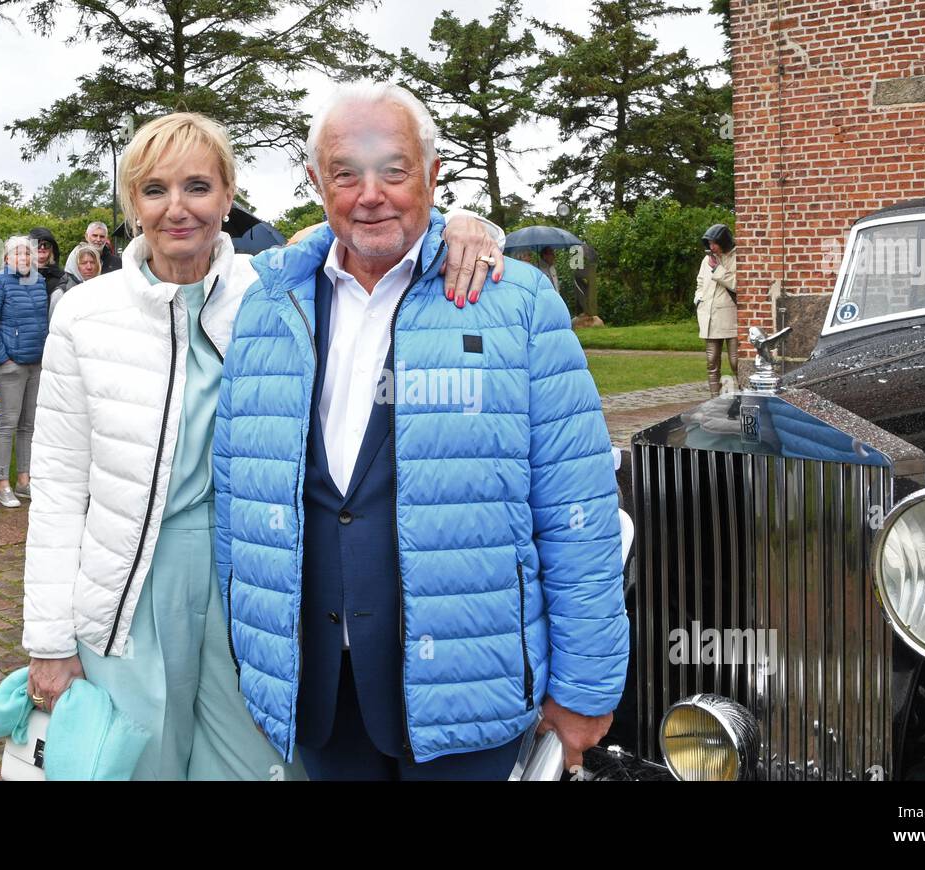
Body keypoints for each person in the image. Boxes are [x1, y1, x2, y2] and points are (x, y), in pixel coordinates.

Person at [21, 110, 505, 781]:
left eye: (197, 186)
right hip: (125, 591)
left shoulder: (274, 288)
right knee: (133, 765)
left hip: (253, 580)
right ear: (133, 203)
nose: (178, 208)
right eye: (155, 190)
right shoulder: (82, 313)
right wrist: (47, 641)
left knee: (256, 767)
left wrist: (467, 223)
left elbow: (378, 231)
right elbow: (57, 487)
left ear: (228, 196)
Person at [212, 82, 628, 781]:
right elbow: (237, 500)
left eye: (395, 170)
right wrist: (256, 656)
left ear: (434, 175)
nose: (369, 193)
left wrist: (586, 686)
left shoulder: (516, 304)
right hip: (318, 690)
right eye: (345, 172)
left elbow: (575, 508)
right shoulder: (268, 307)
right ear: (317, 183)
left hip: (468, 683)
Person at [0, 237, 48, 509]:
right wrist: (2, 358)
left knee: (28, 425)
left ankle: (23, 480)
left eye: (28, 254)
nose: (24, 258)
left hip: (35, 362)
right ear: (7, 258)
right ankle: (2, 484)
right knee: (7, 424)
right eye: (18, 254)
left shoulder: (39, 281)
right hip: (10, 364)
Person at [694, 223, 738, 396]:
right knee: (712, 362)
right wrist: (698, 299)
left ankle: (745, 396)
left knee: (736, 362)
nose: (711, 247)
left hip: (730, 317)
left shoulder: (737, 258)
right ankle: (715, 399)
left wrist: (717, 269)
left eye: (715, 243)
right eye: (709, 243)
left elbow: (738, 285)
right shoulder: (707, 259)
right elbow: (700, 282)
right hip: (709, 317)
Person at [48, 243, 101, 321]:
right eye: (84, 263)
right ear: (74, 265)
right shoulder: (61, 293)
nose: (89, 267)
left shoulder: (102, 289)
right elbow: (54, 328)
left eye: (92, 262)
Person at [28, 227, 66, 297]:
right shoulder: (20, 274)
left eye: (46, 244)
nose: (42, 247)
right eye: (38, 243)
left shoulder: (62, 277)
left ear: (51, 249)